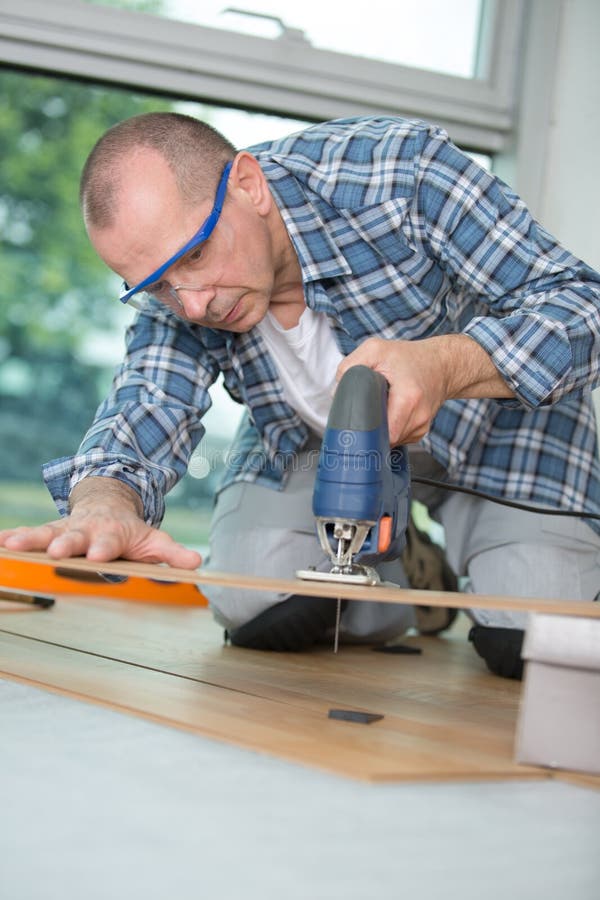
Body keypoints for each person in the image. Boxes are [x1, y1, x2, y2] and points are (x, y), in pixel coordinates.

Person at [2, 112, 600, 678]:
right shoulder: (185, 289)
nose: (192, 305)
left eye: (197, 255)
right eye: (158, 287)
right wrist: (106, 502)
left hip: (503, 426)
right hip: (310, 442)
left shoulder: (403, 173)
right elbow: (147, 397)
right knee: (259, 606)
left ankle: (485, 569)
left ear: (248, 185)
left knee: (534, 639)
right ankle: (405, 577)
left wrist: (446, 363)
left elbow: (583, 305)